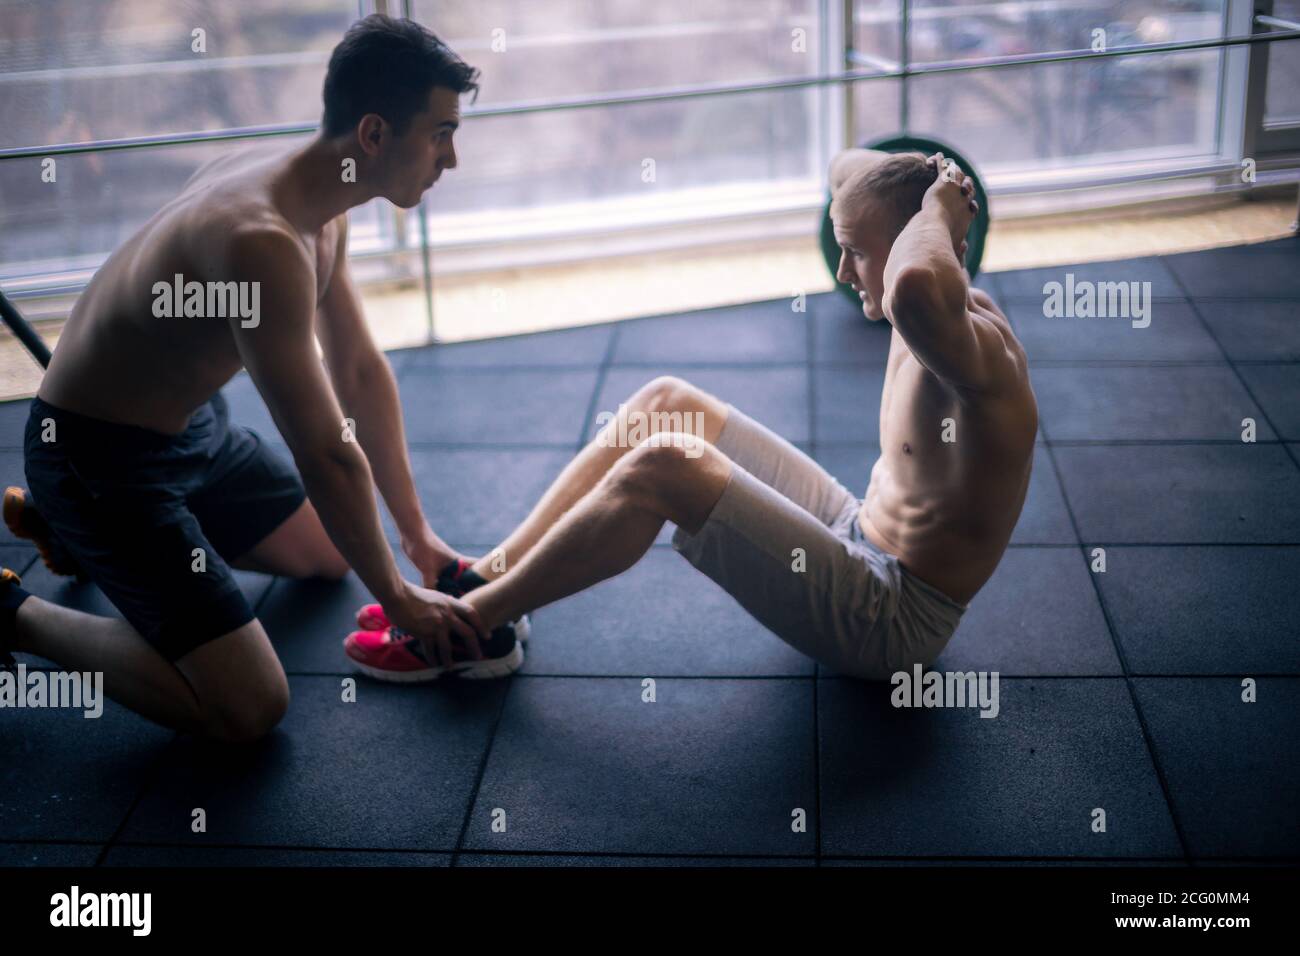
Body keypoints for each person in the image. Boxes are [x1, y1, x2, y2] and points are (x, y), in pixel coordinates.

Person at [0, 15, 516, 741]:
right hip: (97, 459)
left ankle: (69, 532)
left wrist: (416, 538)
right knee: (246, 707)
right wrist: (399, 603)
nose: (450, 159)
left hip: (191, 425)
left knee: (336, 555)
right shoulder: (262, 239)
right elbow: (326, 453)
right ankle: (17, 615)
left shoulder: (319, 196)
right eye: (439, 134)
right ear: (373, 135)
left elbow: (361, 373)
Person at [347, 149, 1038, 681]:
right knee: (664, 405)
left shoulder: (971, 350)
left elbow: (915, 281)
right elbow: (850, 167)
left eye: (855, 252)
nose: (842, 272)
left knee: (667, 466)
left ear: (919, 240)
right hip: (855, 527)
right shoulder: (919, 285)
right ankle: (487, 577)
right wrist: (933, 181)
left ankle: (471, 632)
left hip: (893, 617)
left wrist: (941, 206)